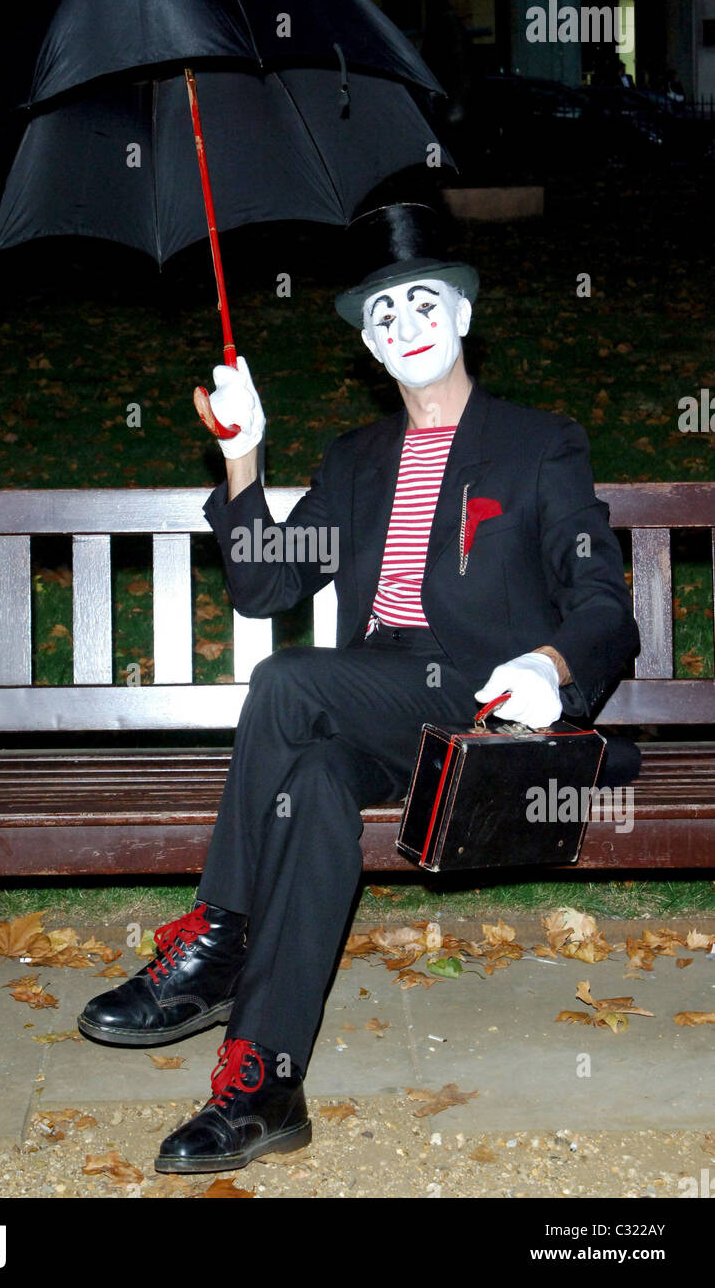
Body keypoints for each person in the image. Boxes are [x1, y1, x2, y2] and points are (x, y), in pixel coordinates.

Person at [78, 202, 640, 1175]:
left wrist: (549, 668)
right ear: (370, 348)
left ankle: (219, 935)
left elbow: (600, 598)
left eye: (422, 301)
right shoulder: (355, 459)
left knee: (288, 682)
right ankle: (265, 1083)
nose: (402, 324)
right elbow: (266, 581)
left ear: (461, 316)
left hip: (482, 704)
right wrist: (242, 451)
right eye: (380, 315)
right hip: (380, 708)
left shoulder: (535, 443)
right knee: (316, 786)